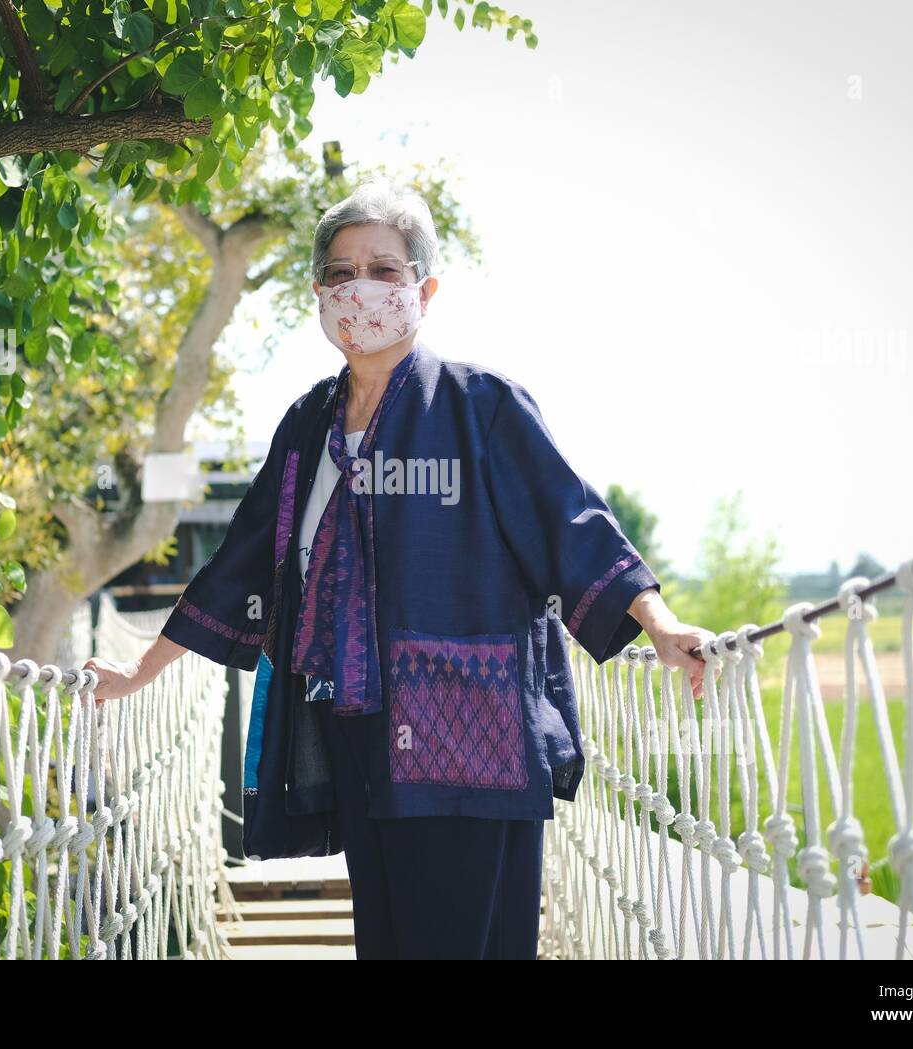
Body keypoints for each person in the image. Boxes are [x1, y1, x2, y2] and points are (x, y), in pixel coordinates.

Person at [85, 177, 717, 959]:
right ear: (318, 293)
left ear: (426, 287)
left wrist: (658, 622)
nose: (362, 289)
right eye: (342, 272)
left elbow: (573, 522)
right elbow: (244, 562)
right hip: (360, 736)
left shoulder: (482, 405)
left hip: (473, 742)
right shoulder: (307, 424)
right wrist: (141, 671)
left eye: (385, 269)